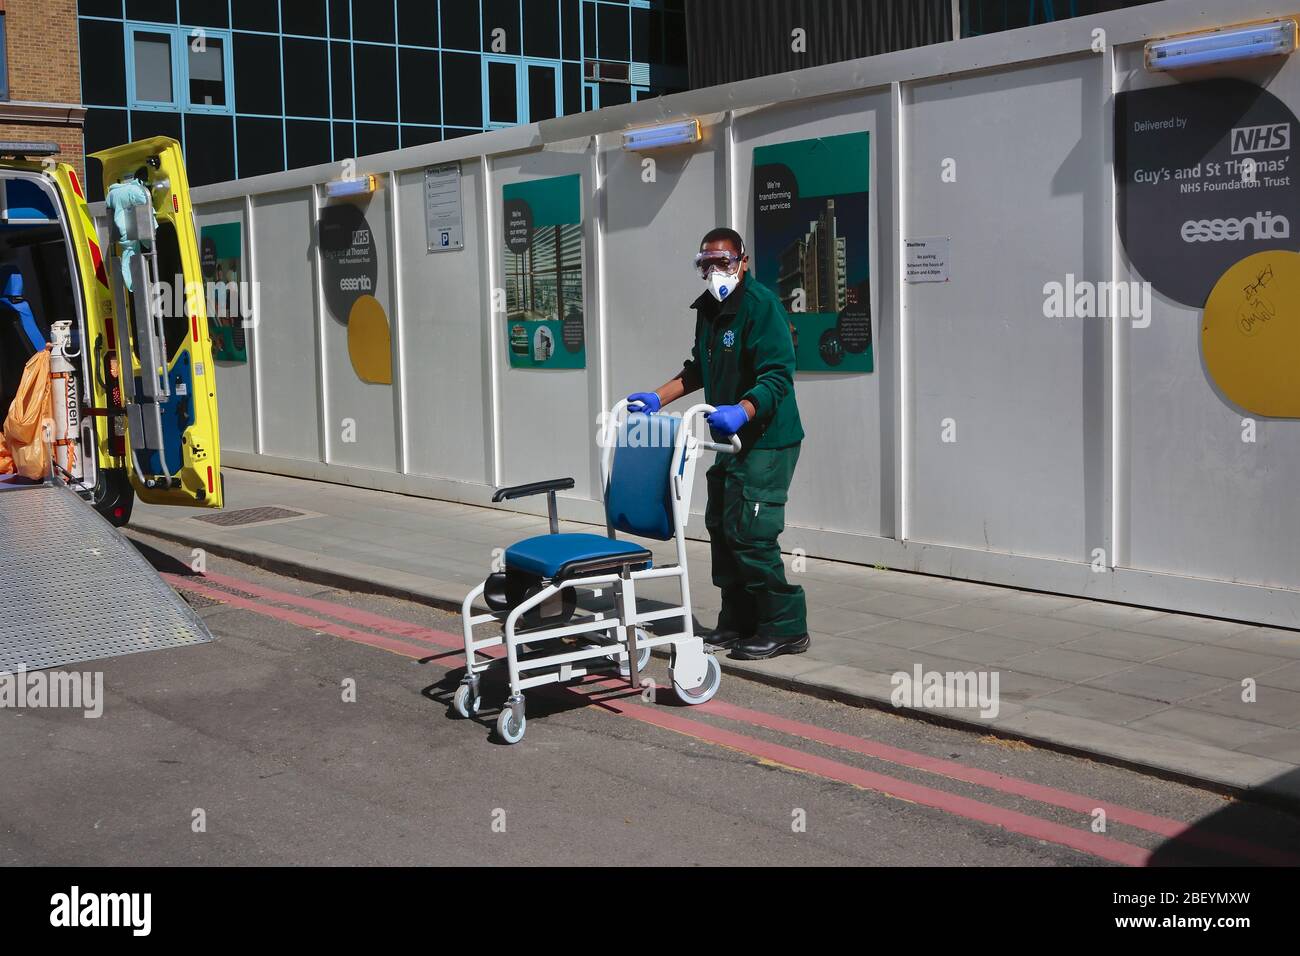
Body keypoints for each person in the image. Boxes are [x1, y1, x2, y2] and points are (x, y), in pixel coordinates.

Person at [626, 227, 809, 660]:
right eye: (705, 263)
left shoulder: (761, 306)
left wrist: (743, 410)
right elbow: (698, 370)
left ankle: (785, 626)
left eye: (723, 262)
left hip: (766, 440)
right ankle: (738, 621)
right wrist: (657, 397)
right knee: (723, 529)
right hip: (727, 442)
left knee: (752, 532)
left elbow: (778, 375)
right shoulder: (708, 308)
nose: (714, 271)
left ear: (742, 262)